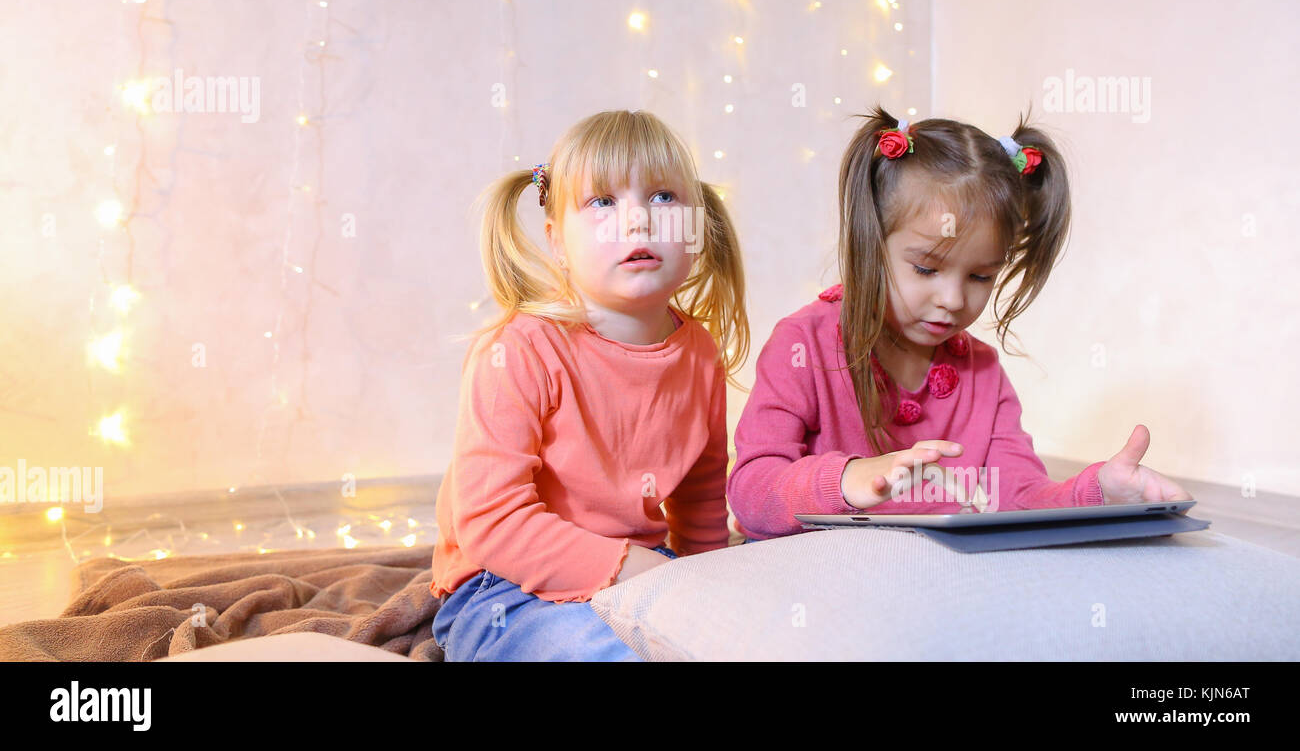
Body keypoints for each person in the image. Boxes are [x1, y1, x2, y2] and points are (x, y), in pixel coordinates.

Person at [727, 104, 1190, 541]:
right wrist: (847, 479)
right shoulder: (803, 344)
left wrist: (1098, 494)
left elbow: (1015, 497)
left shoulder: (983, 372)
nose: (952, 300)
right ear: (872, 243)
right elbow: (751, 494)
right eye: (926, 268)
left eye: (980, 275)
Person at [431, 109, 749, 659]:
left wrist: (705, 591)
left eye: (664, 198)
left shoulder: (697, 353)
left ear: (698, 230)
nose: (638, 221)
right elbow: (490, 521)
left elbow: (699, 497)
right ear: (557, 241)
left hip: (642, 568)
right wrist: (636, 567)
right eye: (603, 202)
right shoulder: (520, 352)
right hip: (506, 587)